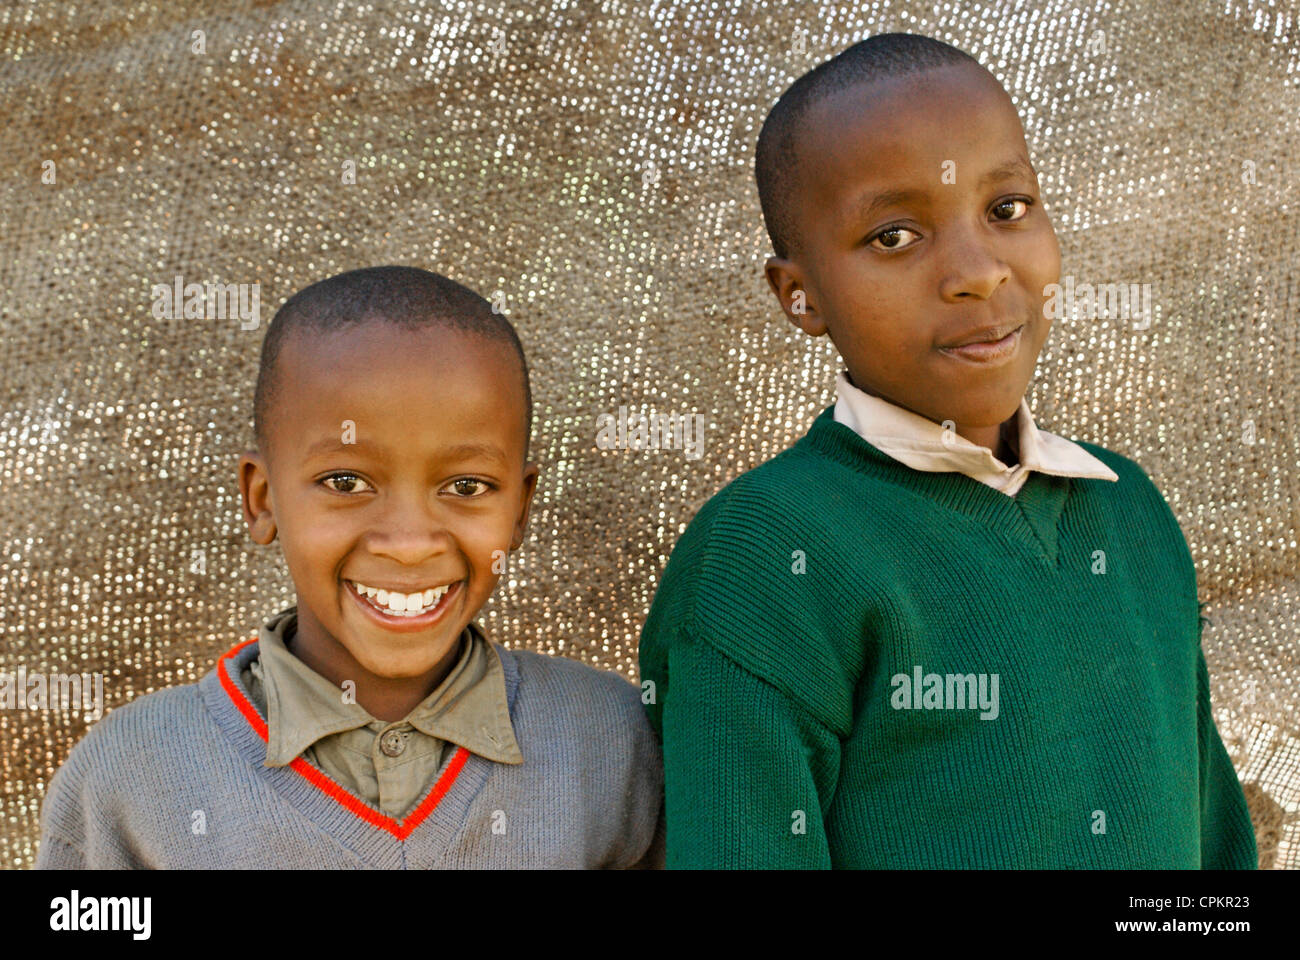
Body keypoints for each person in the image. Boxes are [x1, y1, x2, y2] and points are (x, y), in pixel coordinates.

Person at [637, 33, 1256, 868]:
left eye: (1006, 211)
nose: (977, 272)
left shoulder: (1129, 509)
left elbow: (1211, 851)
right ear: (801, 295)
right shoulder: (766, 554)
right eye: (894, 236)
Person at [37, 265, 664, 868]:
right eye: (345, 481)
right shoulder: (130, 777)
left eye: (467, 486)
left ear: (521, 509)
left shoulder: (610, 744)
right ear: (262, 500)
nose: (410, 543)